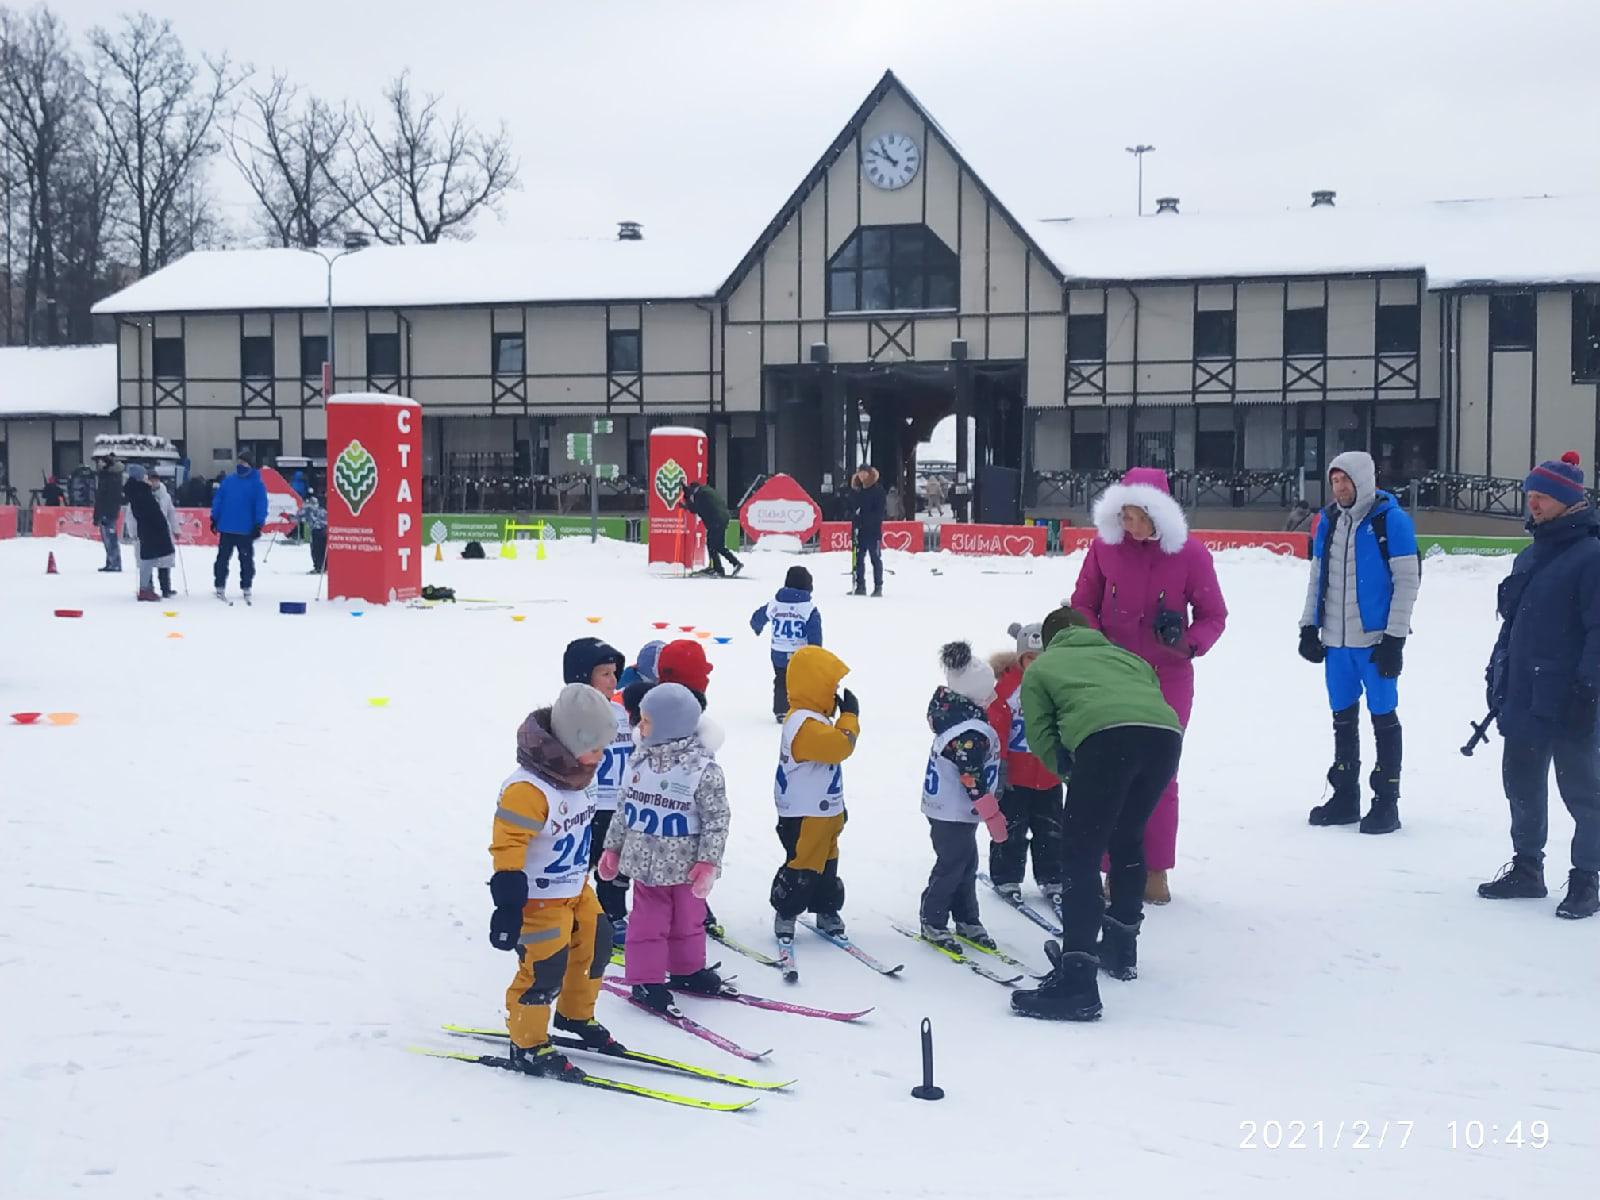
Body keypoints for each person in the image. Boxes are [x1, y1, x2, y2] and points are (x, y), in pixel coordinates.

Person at [1011, 607, 1183, 1022]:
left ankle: (1077, 983)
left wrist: (1072, 773)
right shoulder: (1128, 657)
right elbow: (1147, 701)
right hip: (1164, 739)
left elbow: (1041, 734)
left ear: (1050, 641)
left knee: (1080, 857)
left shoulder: (1043, 667)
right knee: (1128, 837)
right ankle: (1122, 949)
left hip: (1105, 741)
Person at [1069, 467, 1227, 903]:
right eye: (1124, 516)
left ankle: (1154, 869)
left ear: (1159, 516)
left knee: (1159, 776)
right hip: (1113, 677)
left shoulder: (1190, 555)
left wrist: (1187, 643)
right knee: (1110, 773)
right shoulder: (1104, 549)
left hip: (1167, 679)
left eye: (1138, 517)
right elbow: (1083, 601)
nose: (1129, 525)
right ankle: (1113, 869)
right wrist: (1095, 642)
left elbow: (1215, 616)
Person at [1478, 452, 1600, 919]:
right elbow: (1513, 624)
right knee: (1522, 785)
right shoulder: (1531, 553)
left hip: (1569, 696)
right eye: (1530, 496)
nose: (1533, 505)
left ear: (1568, 501)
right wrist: (1497, 671)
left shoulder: (1590, 556)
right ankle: (1528, 869)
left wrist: (1587, 688)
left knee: (1583, 792)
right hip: (1524, 694)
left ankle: (1587, 878)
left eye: (1542, 497)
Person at [486, 683, 625, 1079]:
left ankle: (574, 1016)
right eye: (595, 749)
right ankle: (527, 1043)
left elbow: (583, 825)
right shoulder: (527, 790)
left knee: (596, 943)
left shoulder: (579, 776)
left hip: (576, 889)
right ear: (568, 744)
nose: (601, 759)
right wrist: (508, 905)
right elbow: (508, 846)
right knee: (544, 970)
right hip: (537, 901)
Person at [1298, 450, 1419, 834]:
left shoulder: (1391, 521)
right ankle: (1345, 795)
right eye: (1334, 481)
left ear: (1364, 480)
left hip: (1374, 641)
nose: (1339, 487)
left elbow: (1407, 583)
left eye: (1345, 480)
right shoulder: (1328, 522)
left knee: (1384, 716)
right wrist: (1308, 626)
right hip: (1336, 643)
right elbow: (1318, 577)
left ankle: (1386, 801)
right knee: (1342, 720)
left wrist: (1394, 639)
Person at [599, 683, 732, 1012]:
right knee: (648, 923)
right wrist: (612, 849)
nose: (638, 727)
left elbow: (716, 818)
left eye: (646, 721)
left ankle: (687, 969)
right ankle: (646, 979)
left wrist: (708, 863)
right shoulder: (639, 762)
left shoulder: (702, 770)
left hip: (686, 867)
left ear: (670, 724)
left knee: (689, 919)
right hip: (645, 865)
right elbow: (623, 810)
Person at [919, 641, 1008, 951]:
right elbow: (970, 776)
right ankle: (933, 918)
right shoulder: (968, 733)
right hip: (951, 810)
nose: (993, 696)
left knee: (966, 863)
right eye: (988, 692)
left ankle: (967, 918)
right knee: (953, 864)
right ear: (973, 695)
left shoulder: (959, 719)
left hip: (956, 810)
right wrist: (992, 814)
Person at [771, 646, 859, 941]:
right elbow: (840, 747)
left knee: (827, 862)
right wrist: (850, 718)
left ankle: (826, 908)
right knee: (803, 865)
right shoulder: (803, 724)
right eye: (830, 687)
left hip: (825, 810)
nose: (835, 693)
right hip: (805, 812)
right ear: (814, 687)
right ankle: (786, 911)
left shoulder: (816, 719)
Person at [985, 621, 1063, 906]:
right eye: (1030, 658)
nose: (1035, 664)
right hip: (1015, 776)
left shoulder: (1058, 685)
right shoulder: (1007, 688)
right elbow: (997, 725)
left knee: (1051, 829)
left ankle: (1053, 875)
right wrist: (998, 765)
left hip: (1049, 773)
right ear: (1020, 658)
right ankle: (1006, 876)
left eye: (1042, 658)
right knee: (1010, 829)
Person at [563, 637, 633, 941]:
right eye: (605, 673)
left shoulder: (622, 714)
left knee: (615, 866)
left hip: (618, 807)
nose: (614, 680)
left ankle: (614, 916)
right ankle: (569, 914)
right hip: (583, 807)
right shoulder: (566, 716)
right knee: (578, 865)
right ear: (583, 677)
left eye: (615, 673)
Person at [750, 565, 824, 722]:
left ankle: (781, 709)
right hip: (800, 653)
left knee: (781, 679)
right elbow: (814, 630)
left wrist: (756, 627)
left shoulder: (775, 604)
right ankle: (802, 707)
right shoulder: (808, 608)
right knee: (801, 680)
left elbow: (758, 616)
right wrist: (816, 651)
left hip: (778, 651)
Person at [210, 451, 268, 603]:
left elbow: (261, 504)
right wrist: (214, 518)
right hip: (227, 527)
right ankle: (219, 584)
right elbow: (219, 500)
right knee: (222, 559)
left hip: (245, 529)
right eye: (239, 462)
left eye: (244, 463)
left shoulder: (257, 484)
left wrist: (258, 524)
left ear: (250, 465)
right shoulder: (228, 481)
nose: (241, 465)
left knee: (246, 560)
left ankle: (246, 585)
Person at [122, 465, 177, 602]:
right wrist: (133, 532)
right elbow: (140, 514)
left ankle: (163, 587)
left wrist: (174, 528)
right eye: (146, 477)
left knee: (160, 560)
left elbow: (170, 512)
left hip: (154, 530)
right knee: (147, 560)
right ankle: (146, 587)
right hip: (150, 531)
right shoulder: (141, 492)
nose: (149, 480)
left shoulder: (151, 493)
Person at [684, 481, 743, 577]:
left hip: (716, 521)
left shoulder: (701, 494)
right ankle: (725, 565)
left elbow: (694, 509)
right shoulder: (706, 491)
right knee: (717, 546)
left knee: (712, 545)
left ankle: (720, 568)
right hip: (720, 519)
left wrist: (686, 497)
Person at [844, 465, 887, 596]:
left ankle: (878, 586)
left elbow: (879, 512)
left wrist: (863, 517)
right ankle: (860, 586)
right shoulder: (857, 490)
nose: (862, 476)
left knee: (875, 558)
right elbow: (850, 507)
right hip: (859, 530)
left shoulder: (878, 490)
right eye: (860, 474)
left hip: (873, 531)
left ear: (869, 474)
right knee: (858, 558)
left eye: (864, 474)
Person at [92, 455, 124, 573]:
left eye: (99, 463)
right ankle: (111, 561)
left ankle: (114, 562)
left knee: (110, 538)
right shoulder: (106, 476)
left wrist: (105, 513)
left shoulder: (111, 478)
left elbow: (110, 498)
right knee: (107, 538)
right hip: (105, 512)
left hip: (108, 512)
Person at [301, 492, 328, 574]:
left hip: (318, 531)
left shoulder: (312, 510)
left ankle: (319, 567)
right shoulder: (322, 509)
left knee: (317, 549)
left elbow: (301, 518)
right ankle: (322, 566)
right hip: (321, 530)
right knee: (319, 549)